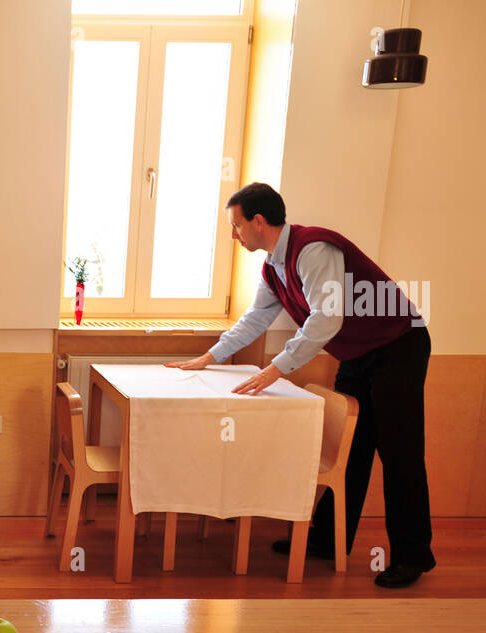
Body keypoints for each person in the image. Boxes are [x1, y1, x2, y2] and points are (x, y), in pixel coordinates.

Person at [166, 182, 435, 588]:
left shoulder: (312, 250)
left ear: (258, 221)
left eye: (236, 225)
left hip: (398, 345)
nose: (233, 234)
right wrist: (210, 357)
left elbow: (326, 319)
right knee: (350, 449)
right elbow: (255, 319)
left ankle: (413, 556)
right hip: (359, 354)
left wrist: (276, 369)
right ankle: (329, 540)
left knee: (400, 452)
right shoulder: (272, 266)